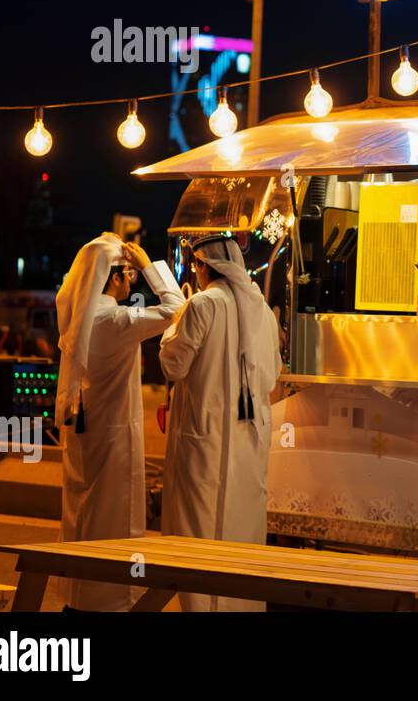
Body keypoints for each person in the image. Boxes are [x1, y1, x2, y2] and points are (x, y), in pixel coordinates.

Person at [56, 234, 184, 611]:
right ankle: (107, 602)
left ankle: (77, 599)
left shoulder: (77, 318)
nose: (131, 281)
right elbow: (175, 308)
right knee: (112, 522)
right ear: (112, 279)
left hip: (84, 433)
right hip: (113, 437)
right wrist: (149, 266)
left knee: (81, 515)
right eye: (127, 274)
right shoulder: (115, 319)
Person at [159, 233, 282, 612]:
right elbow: (273, 374)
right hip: (249, 440)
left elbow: (172, 364)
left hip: (205, 439)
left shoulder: (201, 305)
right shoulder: (260, 307)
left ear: (201, 267)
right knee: (240, 530)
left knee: (198, 535)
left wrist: (177, 316)